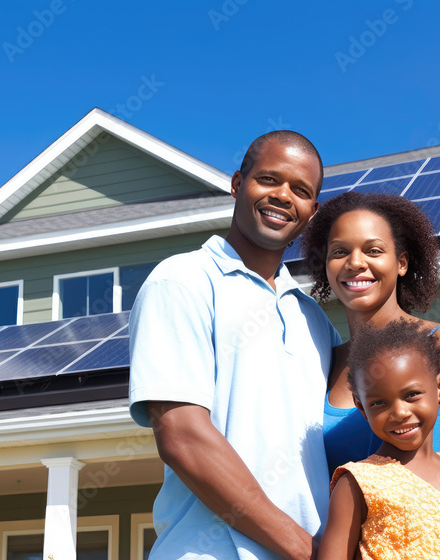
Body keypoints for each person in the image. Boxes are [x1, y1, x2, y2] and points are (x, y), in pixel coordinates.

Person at [129, 130, 341, 560]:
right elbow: (182, 435)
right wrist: (306, 550)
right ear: (236, 184)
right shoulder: (182, 280)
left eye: (300, 190)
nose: (284, 196)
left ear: (312, 211)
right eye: (269, 180)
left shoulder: (314, 319)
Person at [300, 191, 440, 559]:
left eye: (373, 250)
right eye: (340, 252)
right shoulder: (322, 363)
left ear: (401, 262)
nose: (355, 263)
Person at [318, 318, 440, 560]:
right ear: (362, 409)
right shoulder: (357, 484)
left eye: (412, 394)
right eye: (379, 403)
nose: (400, 412)